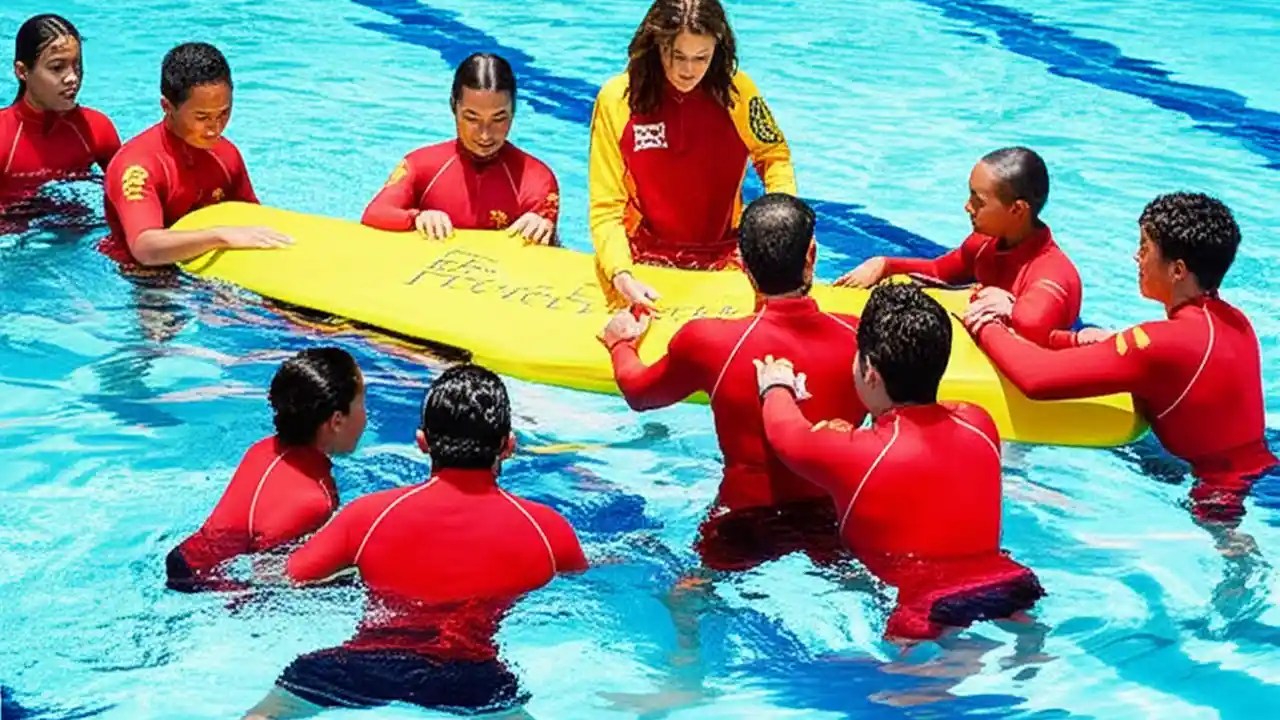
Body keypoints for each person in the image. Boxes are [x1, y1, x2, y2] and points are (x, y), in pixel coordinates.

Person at [244, 364, 588, 719]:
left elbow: (277, 577)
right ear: (508, 446)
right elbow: (588, 584)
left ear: (422, 443)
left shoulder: (369, 516)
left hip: (368, 662)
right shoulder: (548, 531)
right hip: (472, 679)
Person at [964, 192, 1277, 524]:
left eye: (1144, 248)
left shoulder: (1160, 344)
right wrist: (1045, 328)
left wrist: (985, 323)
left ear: (1178, 270)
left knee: (1008, 478)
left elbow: (1035, 379)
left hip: (1220, 500)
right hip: (1261, 477)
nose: (1136, 257)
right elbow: (1164, 360)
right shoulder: (1235, 321)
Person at [757, 283, 1044, 641]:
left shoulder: (855, 453)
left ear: (870, 371)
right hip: (1010, 585)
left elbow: (785, 433)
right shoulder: (980, 422)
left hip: (925, 608)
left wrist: (775, 385)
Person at [601, 193, 862, 572]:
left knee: (690, 595)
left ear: (741, 264)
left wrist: (620, 344)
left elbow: (639, 393)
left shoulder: (710, 342)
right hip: (832, 519)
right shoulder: (858, 336)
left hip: (743, 520)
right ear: (812, 256)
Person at [589, 0, 796, 309]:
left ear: (718, 49)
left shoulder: (737, 92)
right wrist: (621, 272)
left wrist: (782, 228)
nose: (688, 71)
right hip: (643, 255)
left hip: (727, 254)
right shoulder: (618, 99)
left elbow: (774, 156)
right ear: (656, 45)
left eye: (702, 57)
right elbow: (606, 207)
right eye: (677, 56)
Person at [837, 147, 1086, 348]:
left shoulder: (1052, 274)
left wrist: (1013, 308)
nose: (967, 207)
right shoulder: (984, 245)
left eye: (979, 201)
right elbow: (938, 270)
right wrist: (884, 265)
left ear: (1017, 209)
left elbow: (1034, 329)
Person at [165, 347, 366, 592]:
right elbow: (268, 580)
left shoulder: (262, 448)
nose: (365, 417)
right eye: (361, 403)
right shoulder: (314, 499)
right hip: (205, 589)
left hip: (182, 560)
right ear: (337, 421)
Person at [100, 41, 290, 267]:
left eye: (224, 113)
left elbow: (252, 219)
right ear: (167, 107)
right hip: (139, 278)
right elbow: (145, 247)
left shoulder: (225, 154)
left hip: (205, 270)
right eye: (202, 117)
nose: (215, 128)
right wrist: (219, 236)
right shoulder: (137, 166)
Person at [361, 53, 560, 245]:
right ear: (453, 107)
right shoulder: (422, 166)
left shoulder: (536, 180)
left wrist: (545, 233)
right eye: (472, 118)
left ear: (514, 111)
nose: (485, 135)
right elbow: (374, 214)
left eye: (499, 118)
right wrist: (416, 218)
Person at [0, 14, 120, 230]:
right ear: (22, 72)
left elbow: (128, 194)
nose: (72, 78)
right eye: (57, 68)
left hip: (76, 236)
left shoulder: (95, 128)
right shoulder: (4, 135)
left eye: (77, 66)